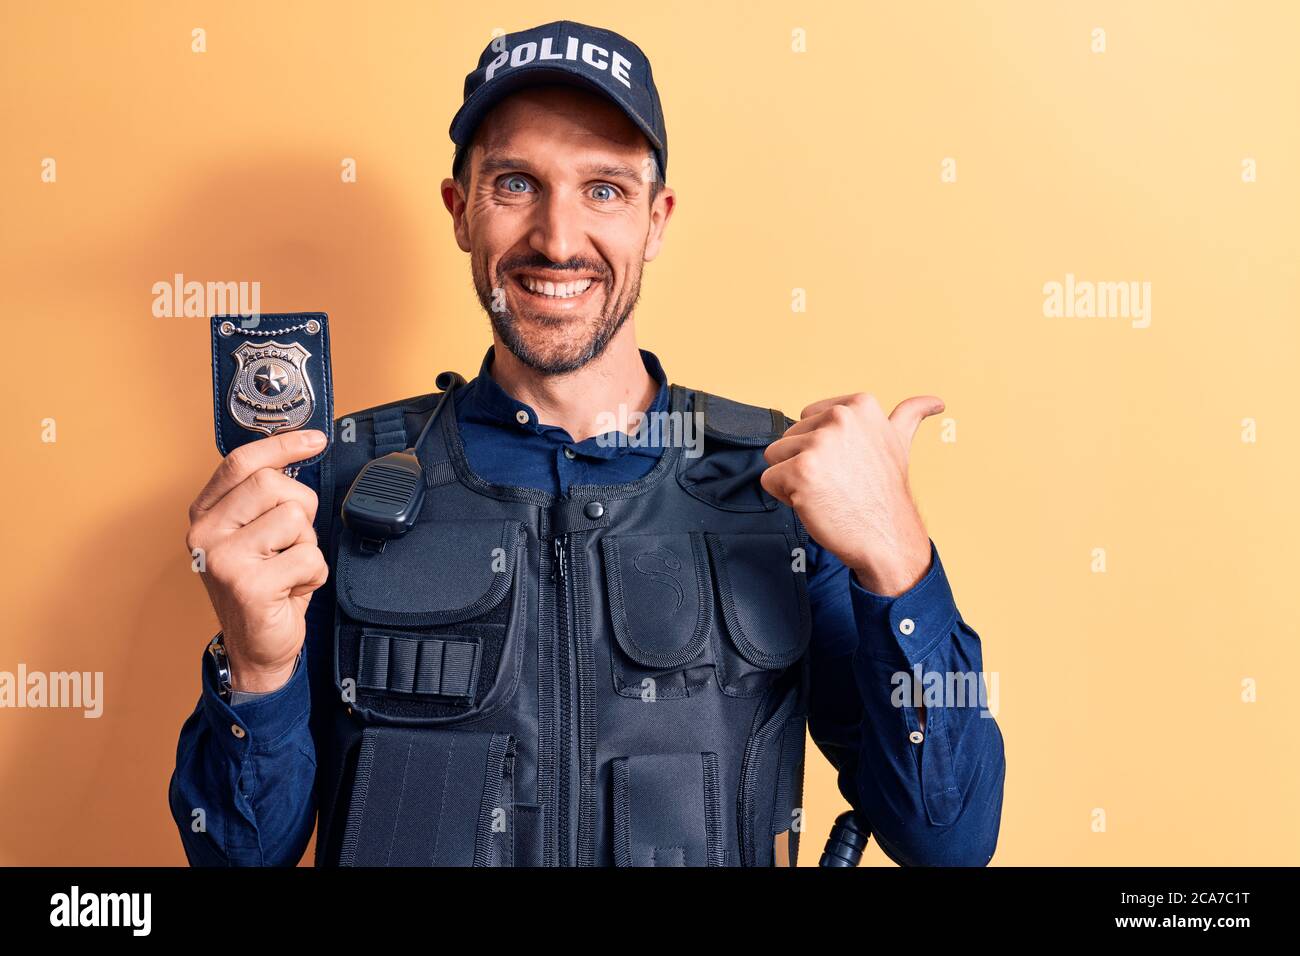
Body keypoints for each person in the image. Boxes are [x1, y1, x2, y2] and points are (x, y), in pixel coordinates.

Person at [170, 19, 1005, 867]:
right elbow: (237, 856)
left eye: (604, 189)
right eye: (516, 184)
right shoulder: (328, 483)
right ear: (461, 212)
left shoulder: (782, 488)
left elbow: (951, 840)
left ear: (657, 219)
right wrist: (256, 668)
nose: (559, 239)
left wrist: (902, 561)